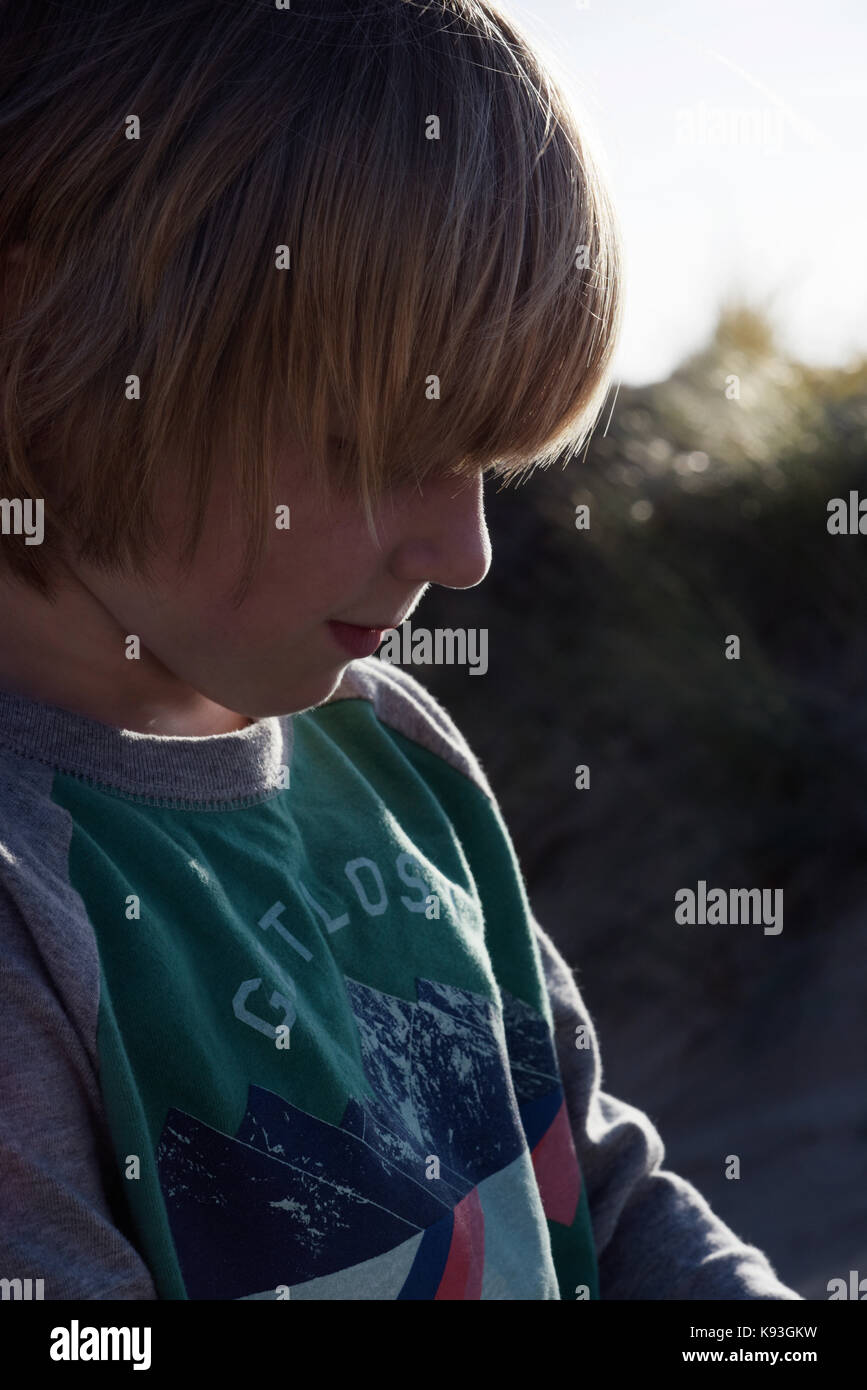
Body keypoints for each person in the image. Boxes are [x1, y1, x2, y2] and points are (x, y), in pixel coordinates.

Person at [0, 0, 801, 1299]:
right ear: (36, 328)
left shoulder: (398, 750)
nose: (468, 551)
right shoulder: (31, 906)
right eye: (390, 453)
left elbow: (592, 1183)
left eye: (492, 465)